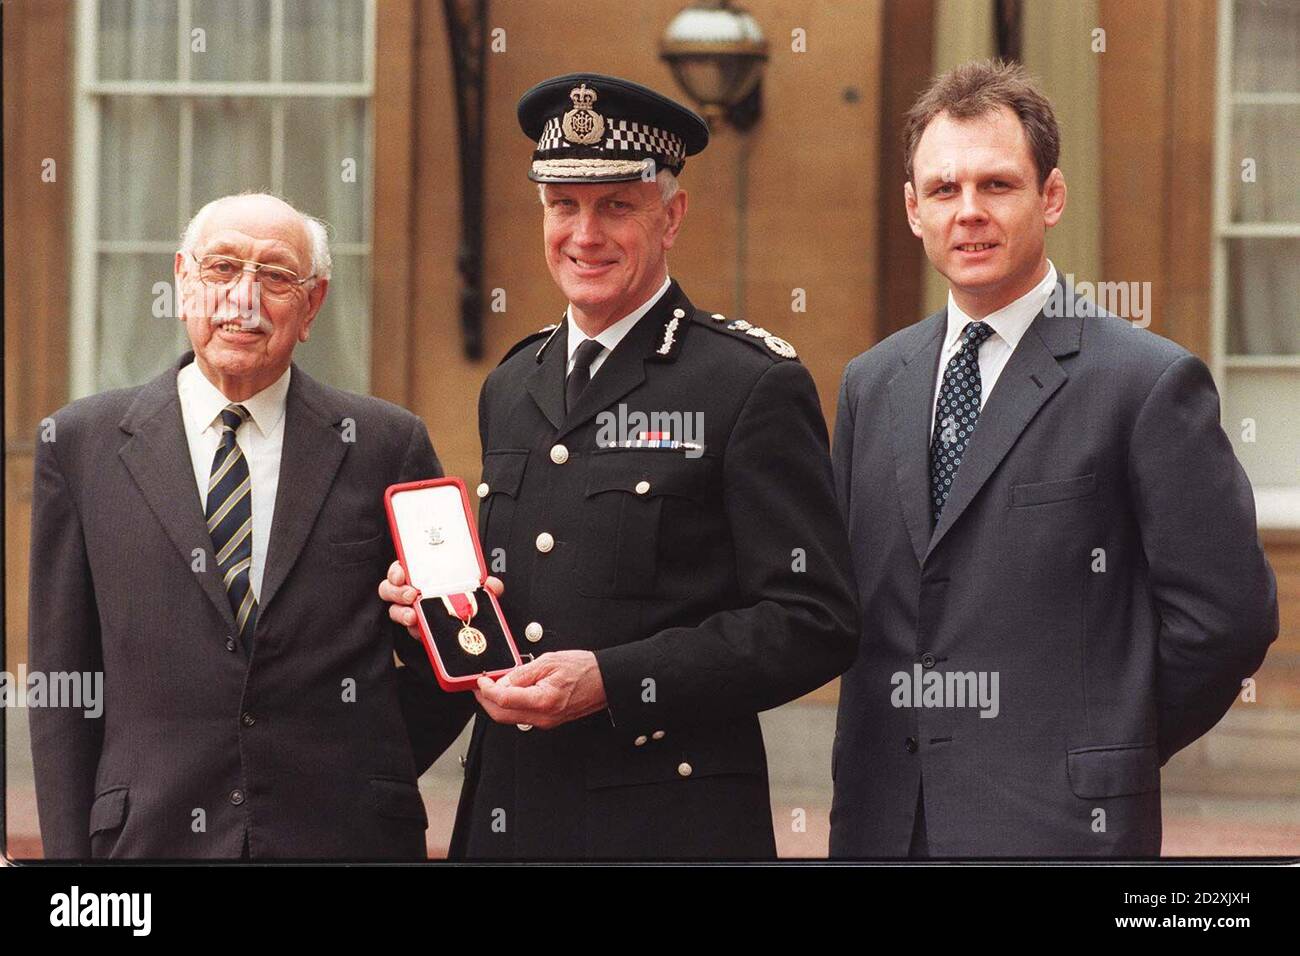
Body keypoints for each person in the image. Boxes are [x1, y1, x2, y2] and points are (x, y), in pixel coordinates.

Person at [380, 73, 858, 859]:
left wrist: (616, 679)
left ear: (671, 216)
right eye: (563, 205)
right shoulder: (512, 381)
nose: (584, 234)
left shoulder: (747, 384)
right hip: (508, 816)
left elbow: (814, 620)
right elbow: (523, 595)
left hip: (666, 825)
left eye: (615, 205)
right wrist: (440, 613)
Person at [830, 60, 1278, 857]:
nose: (968, 213)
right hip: (883, 827)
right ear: (912, 209)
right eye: (943, 190)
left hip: (1063, 830)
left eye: (997, 185)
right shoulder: (871, 385)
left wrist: (1105, 742)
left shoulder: (1146, 383)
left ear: (1053, 196)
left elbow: (1227, 618)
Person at [29, 193, 458, 859]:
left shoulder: (386, 445)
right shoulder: (80, 445)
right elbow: (63, 683)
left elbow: (461, 644)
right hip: (148, 843)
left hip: (346, 837)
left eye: (276, 277)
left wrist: (361, 757)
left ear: (312, 306)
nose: (244, 299)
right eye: (222, 268)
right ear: (182, 282)